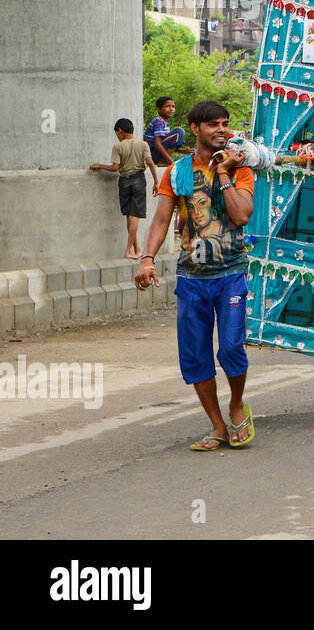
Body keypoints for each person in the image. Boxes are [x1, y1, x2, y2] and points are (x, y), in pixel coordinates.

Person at [134, 101, 256, 451]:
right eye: (213, 124)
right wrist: (147, 259)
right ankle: (217, 425)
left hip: (231, 272)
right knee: (194, 354)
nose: (221, 129)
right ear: (195, 129)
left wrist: (222, 173)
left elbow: (241, 215)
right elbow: (160, 220)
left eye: (225, 124)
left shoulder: (240, 169)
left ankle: (235, 405)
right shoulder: (178, 172)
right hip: (191, 277)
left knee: (232, 347)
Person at [90, 118, 159, 259]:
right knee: (133, 216)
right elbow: (150, 163)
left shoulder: (118, 146)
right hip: (138, 180)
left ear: (120, 131)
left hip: (124, 181)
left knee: (130, 215)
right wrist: (156, 182)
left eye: (117, 133)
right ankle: (132, 250)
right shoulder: (143, 144)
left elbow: (115, 168)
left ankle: (134, 249)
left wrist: (100, 165)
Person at [143, 96, 189, 167]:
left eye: (173, 107)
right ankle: (163, 161)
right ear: (159, 109)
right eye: (167, 106)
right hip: (152, 154)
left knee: (178, 133)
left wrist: (182, 150)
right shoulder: (158, 121)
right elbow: (157, 143)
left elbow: (168, 145)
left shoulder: (165, 124)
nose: (171, 109)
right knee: (179, 131)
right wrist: (171, 161)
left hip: (156, 154)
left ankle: (164, 161)